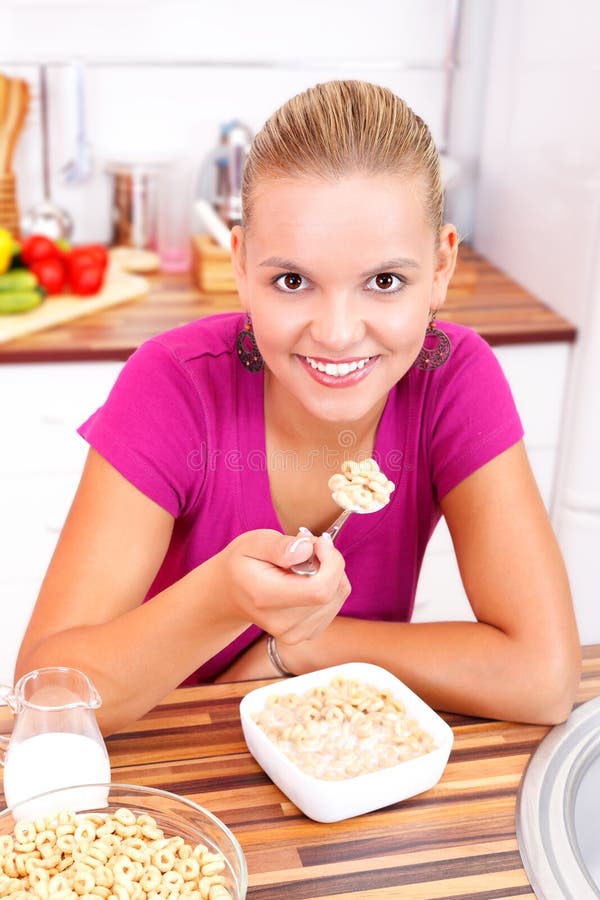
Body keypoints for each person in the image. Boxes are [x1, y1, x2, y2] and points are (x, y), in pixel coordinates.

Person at [16, 81, 580, 735]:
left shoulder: (451, 380)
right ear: (239, 263)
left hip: (334, 758)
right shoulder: (173, 386)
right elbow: (40, 698)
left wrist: (302, 646)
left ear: (442, 267)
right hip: (163, 772)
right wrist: (224, 596)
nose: (338, 333)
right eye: (292, 281)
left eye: (385, 282)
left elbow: (543, 679)